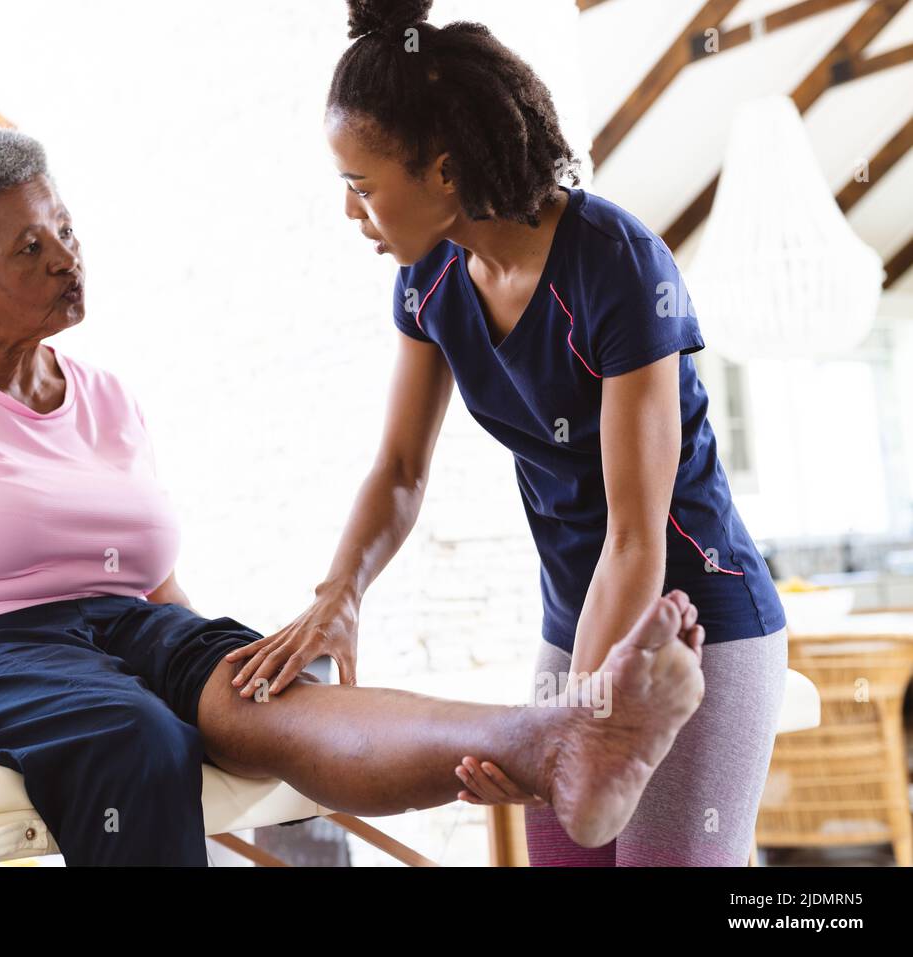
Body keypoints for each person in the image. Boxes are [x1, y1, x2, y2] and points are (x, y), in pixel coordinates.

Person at [0, 126, 706, 866]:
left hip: (114, 629)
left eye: (66, 229)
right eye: (29, 247)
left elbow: (148, 590)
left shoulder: (103, 397)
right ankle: (554, 739)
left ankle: (556, 743)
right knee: (133, 733)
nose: (65, 256)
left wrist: (220, 668)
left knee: (268, 687)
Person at [224, 0, 787, 867]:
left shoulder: (617, 268)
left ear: (443, 170)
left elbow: (635, 540)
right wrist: (341, 592)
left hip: (694, 618)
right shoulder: (431, 279)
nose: (350, 211)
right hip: (574, 619)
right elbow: (402, 468)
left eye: (362, 185)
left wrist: (570, 727)